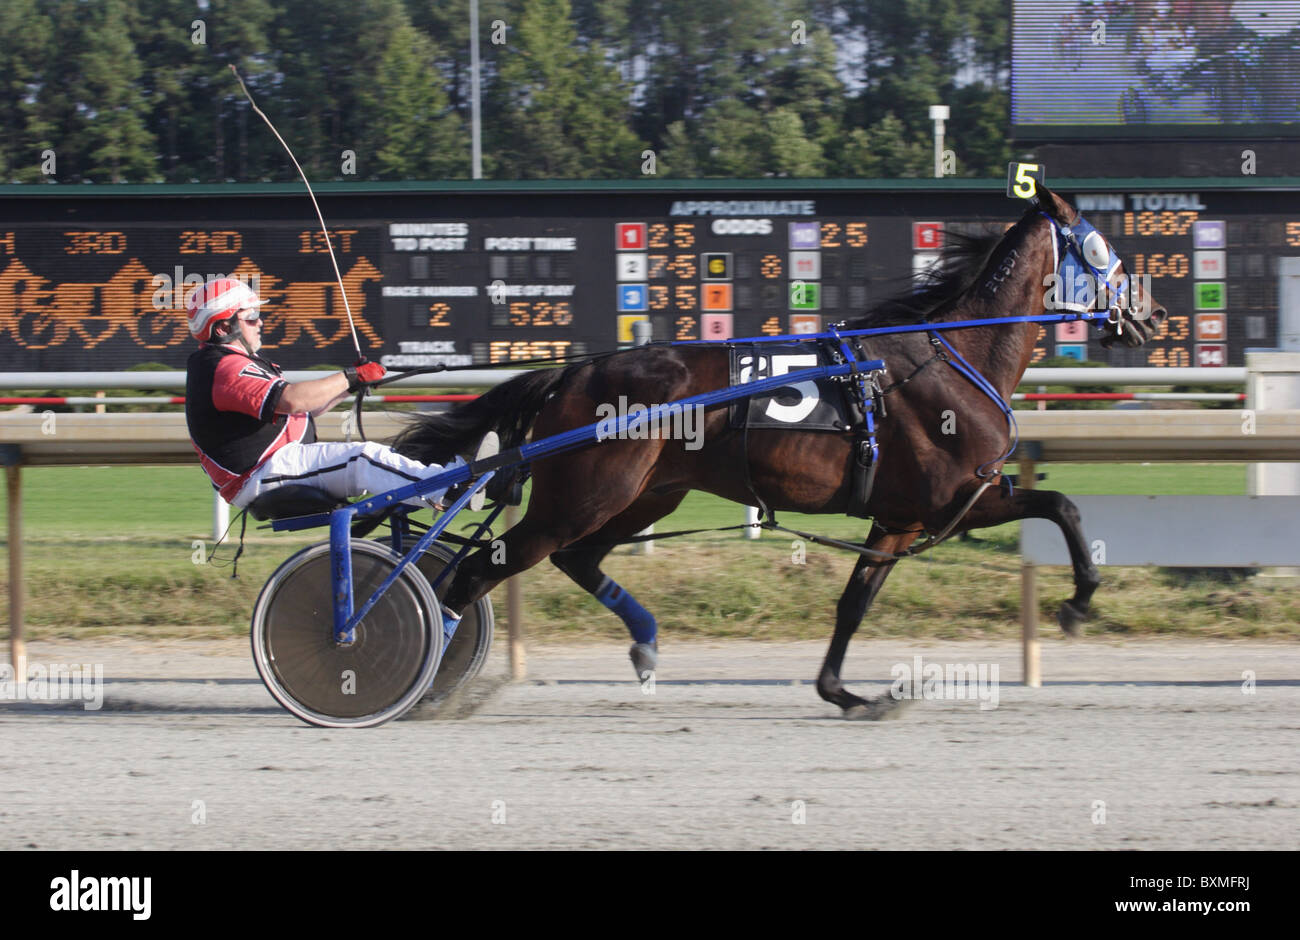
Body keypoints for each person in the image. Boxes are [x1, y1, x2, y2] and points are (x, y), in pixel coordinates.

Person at [184, 277, 475, 515]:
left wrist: (349, 387)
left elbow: (302, 413)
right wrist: (350, 376)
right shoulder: (224, 368)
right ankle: (448, 487)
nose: (261, 322)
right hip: (260, 475)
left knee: (380, 459)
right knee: (362, 458)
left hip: (273, 466)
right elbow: (294, 400)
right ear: (224, 327)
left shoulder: (229, 363)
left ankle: (450, 476)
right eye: (252, 317)